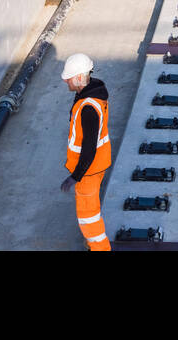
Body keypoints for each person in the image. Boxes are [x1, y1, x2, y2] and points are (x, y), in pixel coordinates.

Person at [60, 53, 111, 251]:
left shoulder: (88, 107)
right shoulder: (93, 93)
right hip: (98, 164)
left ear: (80, 78)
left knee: (89, 219)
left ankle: (100, 248)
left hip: (88, 172)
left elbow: (88, 147)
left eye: (69, 77)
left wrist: (75, 176)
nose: (66, 80)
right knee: (91, 215)